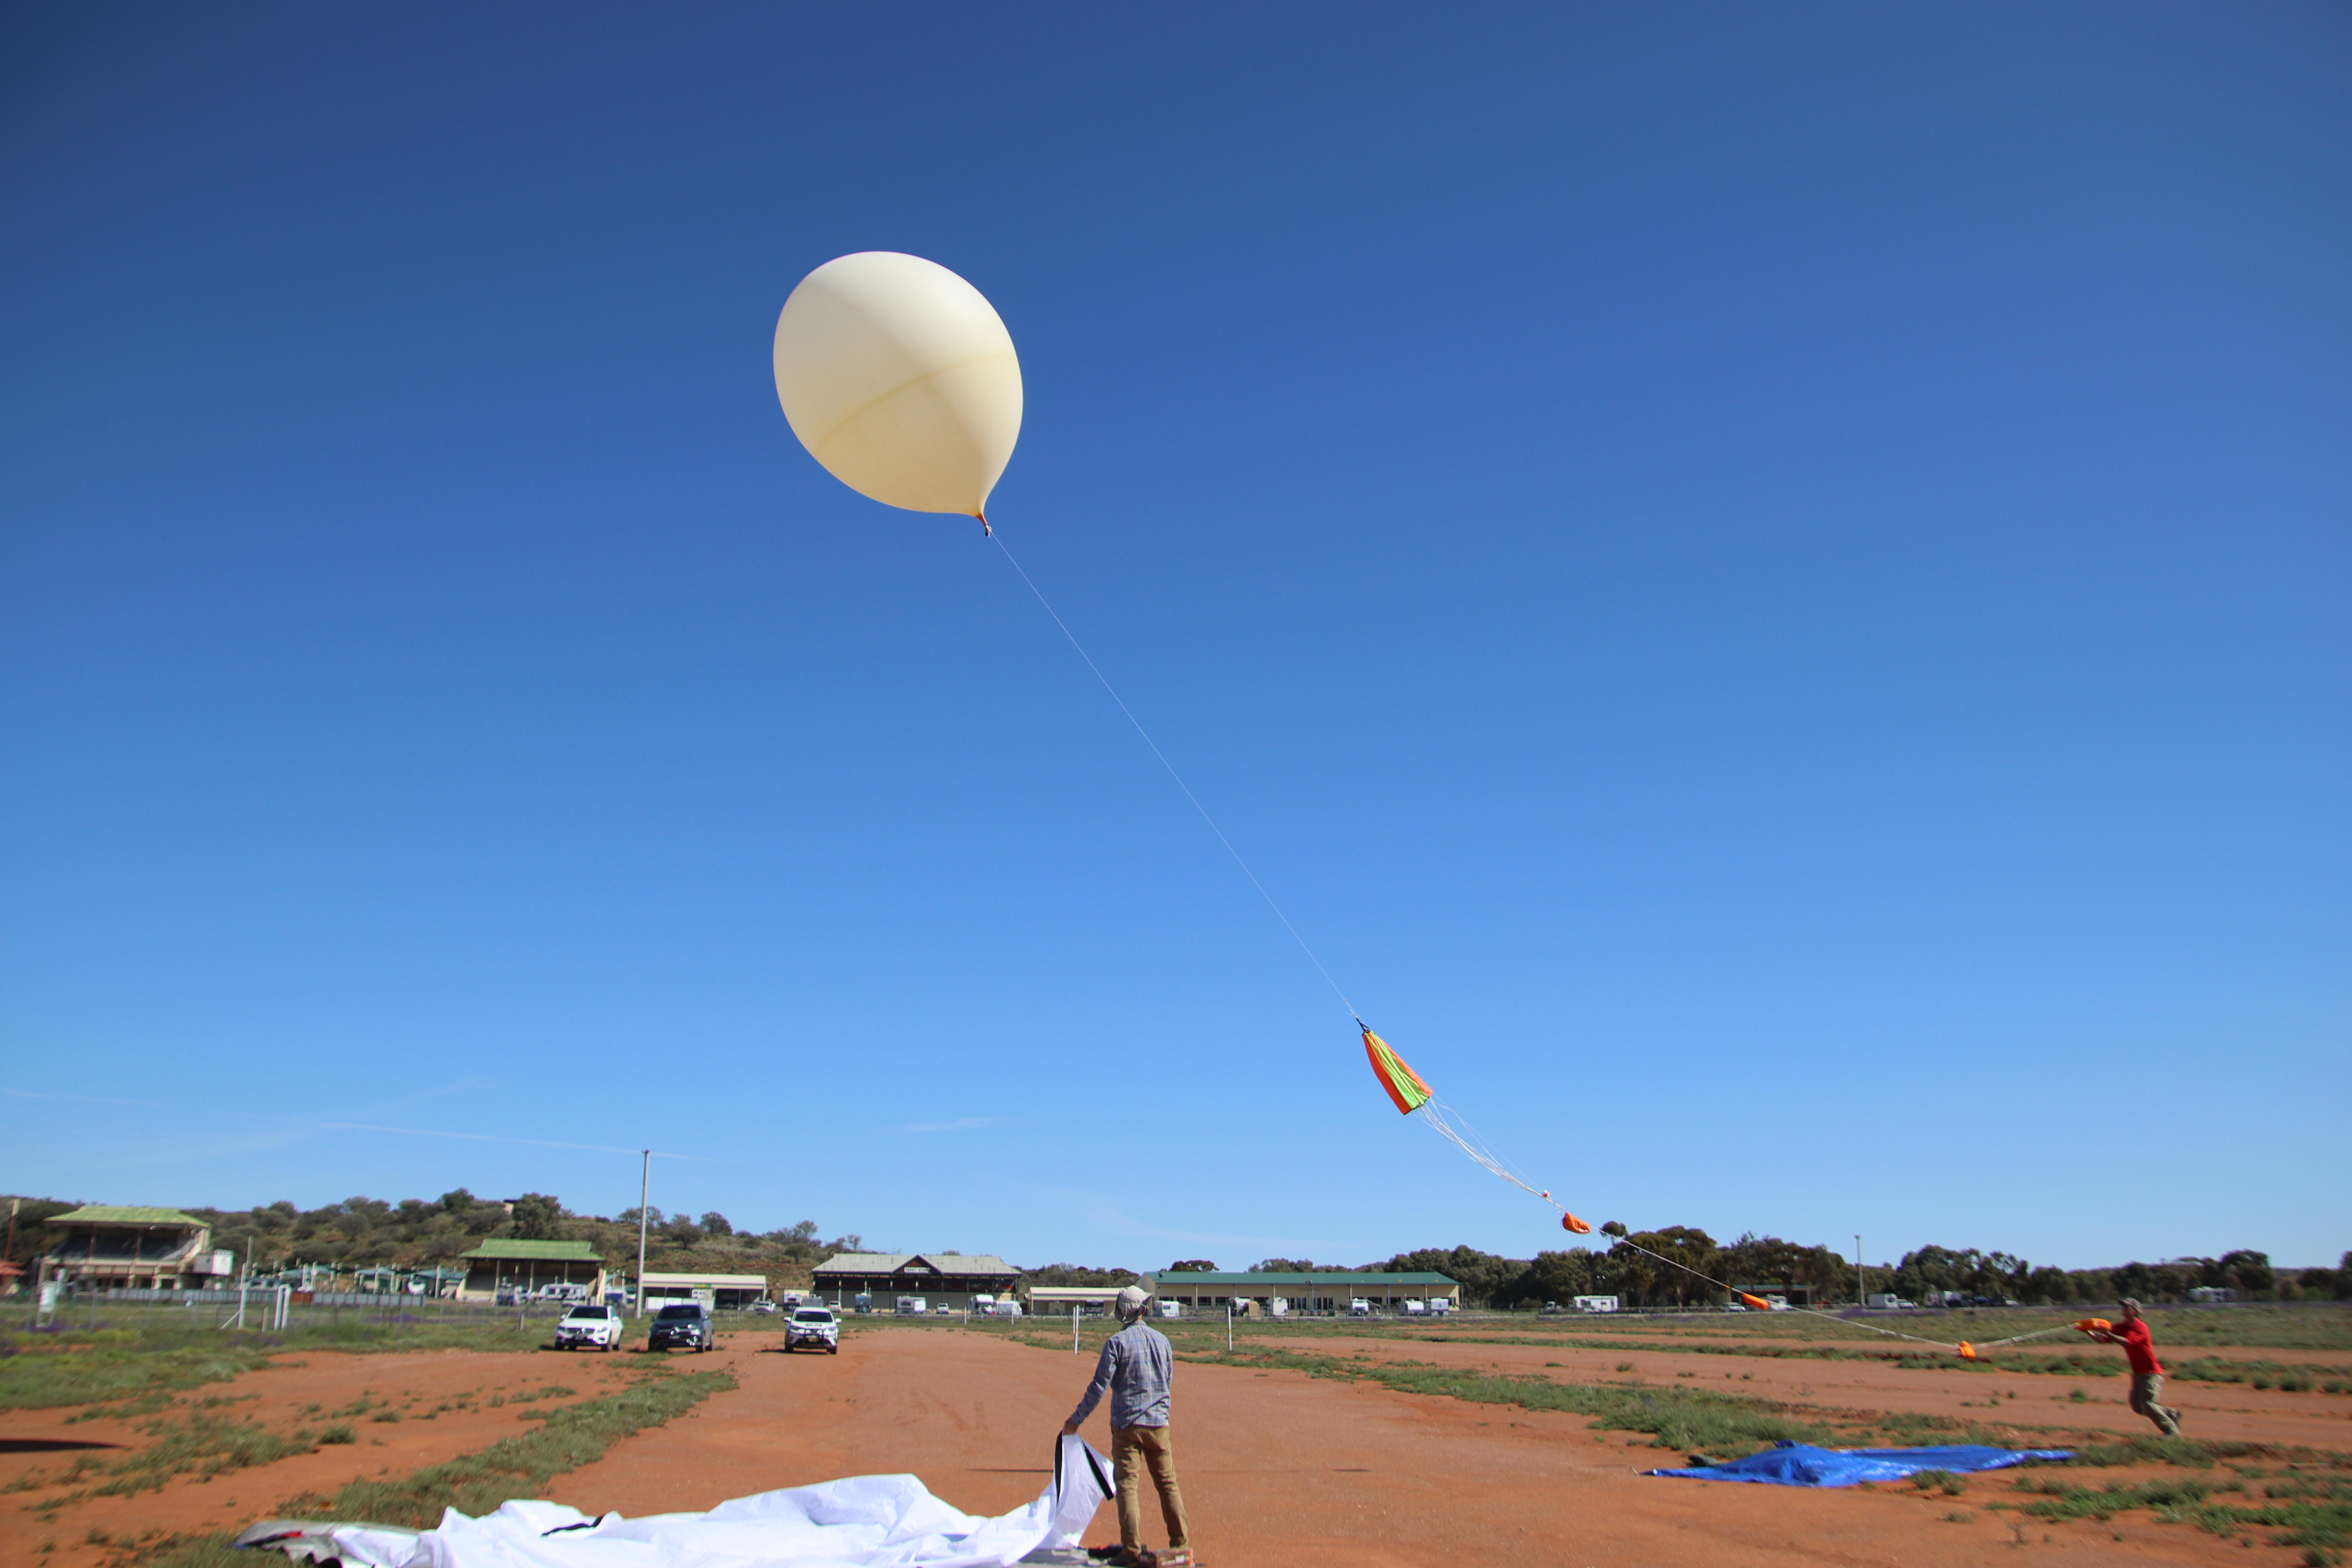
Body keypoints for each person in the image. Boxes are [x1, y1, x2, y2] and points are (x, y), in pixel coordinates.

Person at [1061, 1285, 1192, 1563]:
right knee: (1168, 1484)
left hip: (1126, 1426)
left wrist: (1076, 1420)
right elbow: (1166, 1383)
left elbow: (1099, 1387)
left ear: (1123, 1312)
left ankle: (1131, 1551)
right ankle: (1181, 1546)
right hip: (1159, 1425)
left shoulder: (1116, 1343)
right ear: (1143, 1309)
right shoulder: (1163, 1341)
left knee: (1128, 1488)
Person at [2091, 1298, 2182, 1436]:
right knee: (2138, 1407)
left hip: (2151, 1372)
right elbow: (2102, 1339)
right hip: (2138, 1373)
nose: (2123, 1309)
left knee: (2147, 1403)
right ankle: (2171, 1413)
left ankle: (2172, 1432)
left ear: (2134, 1310)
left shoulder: (2141, 1327)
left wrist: (2108, 1334)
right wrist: (2087, 1331)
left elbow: (2128, 1343)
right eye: (2123, 1307)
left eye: (2126, 1307)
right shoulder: (2122, 1326)